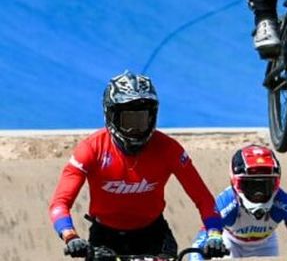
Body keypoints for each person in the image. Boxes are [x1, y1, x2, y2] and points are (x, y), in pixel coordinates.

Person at [48, 71, 228, 260]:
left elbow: (203, 198)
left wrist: (214, 233)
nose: (136, 130)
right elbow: (60, 203)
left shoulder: (169, 149)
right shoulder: (90, 149)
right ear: (111, 116)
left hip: (154, 237)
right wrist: (70, 236)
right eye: (129, 121)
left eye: (141, 120)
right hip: (104, 240)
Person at [186, 145, 287, 258]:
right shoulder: (226, 203)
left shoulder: (284, 202)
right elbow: (200, 243)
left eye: (265, 185)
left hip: (266, 246)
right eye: (251, 185)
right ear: (236, 183)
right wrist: (213, 237)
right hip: (231, 245)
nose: (259, 194)